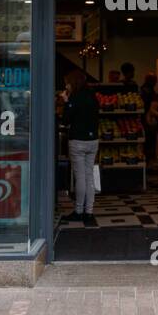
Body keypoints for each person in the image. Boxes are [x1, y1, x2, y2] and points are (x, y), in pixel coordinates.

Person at [62, 69, 100, 226]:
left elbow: (66, 120)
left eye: (67, 83)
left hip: (78, 140)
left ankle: (78, 211)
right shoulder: (92, 96)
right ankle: (89, 212)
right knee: (89, 175)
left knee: (80, 177)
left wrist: (66, 101)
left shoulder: (74, 97)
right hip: (93, 140)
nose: (66, 86)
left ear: (72, 83)